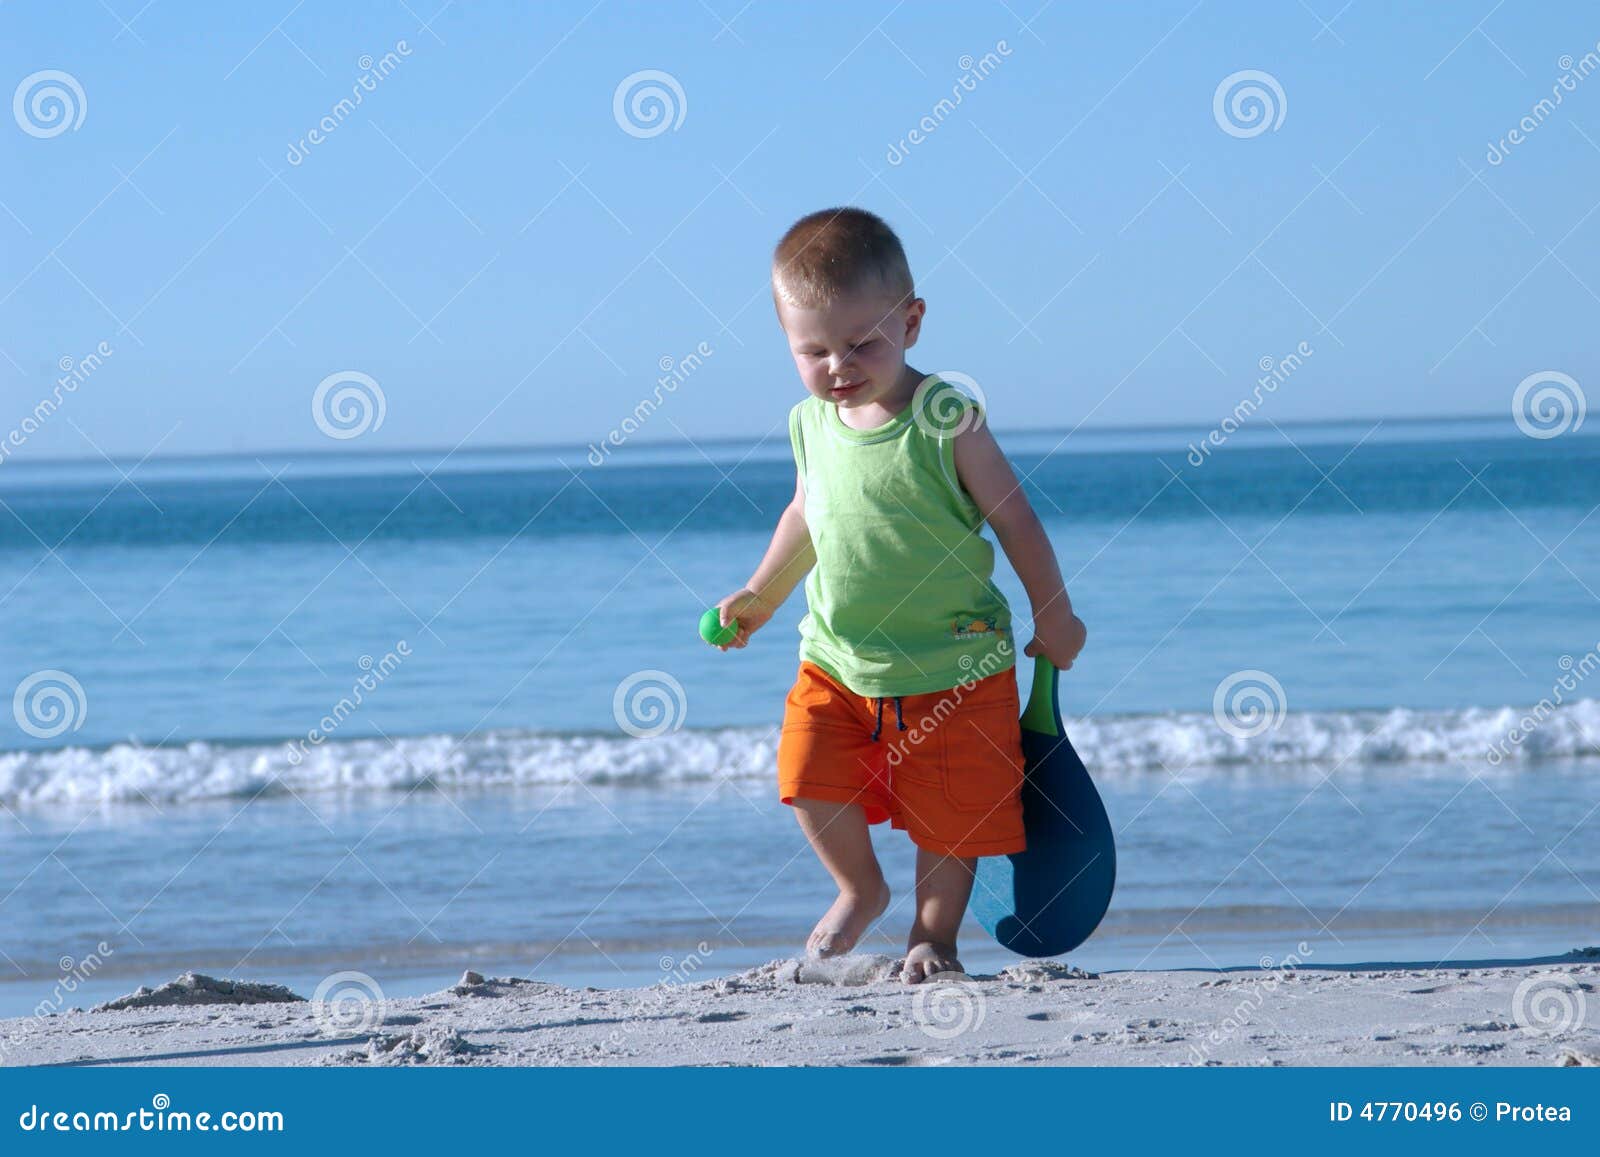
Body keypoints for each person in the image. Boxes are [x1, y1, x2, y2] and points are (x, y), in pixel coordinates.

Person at [713, 207, 1086, 984]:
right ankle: (860, 886)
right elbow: (805, 516)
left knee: (955, 812)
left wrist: (1054, 610)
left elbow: (1013, 516)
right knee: (805, 775)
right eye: (813, 350)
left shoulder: (944, 416)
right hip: (838, 659)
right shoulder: (809, 422)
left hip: (956, 662)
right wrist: (759, 593)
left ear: (911, 322)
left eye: (861, 342)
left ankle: (933, 935)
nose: (839, 365)